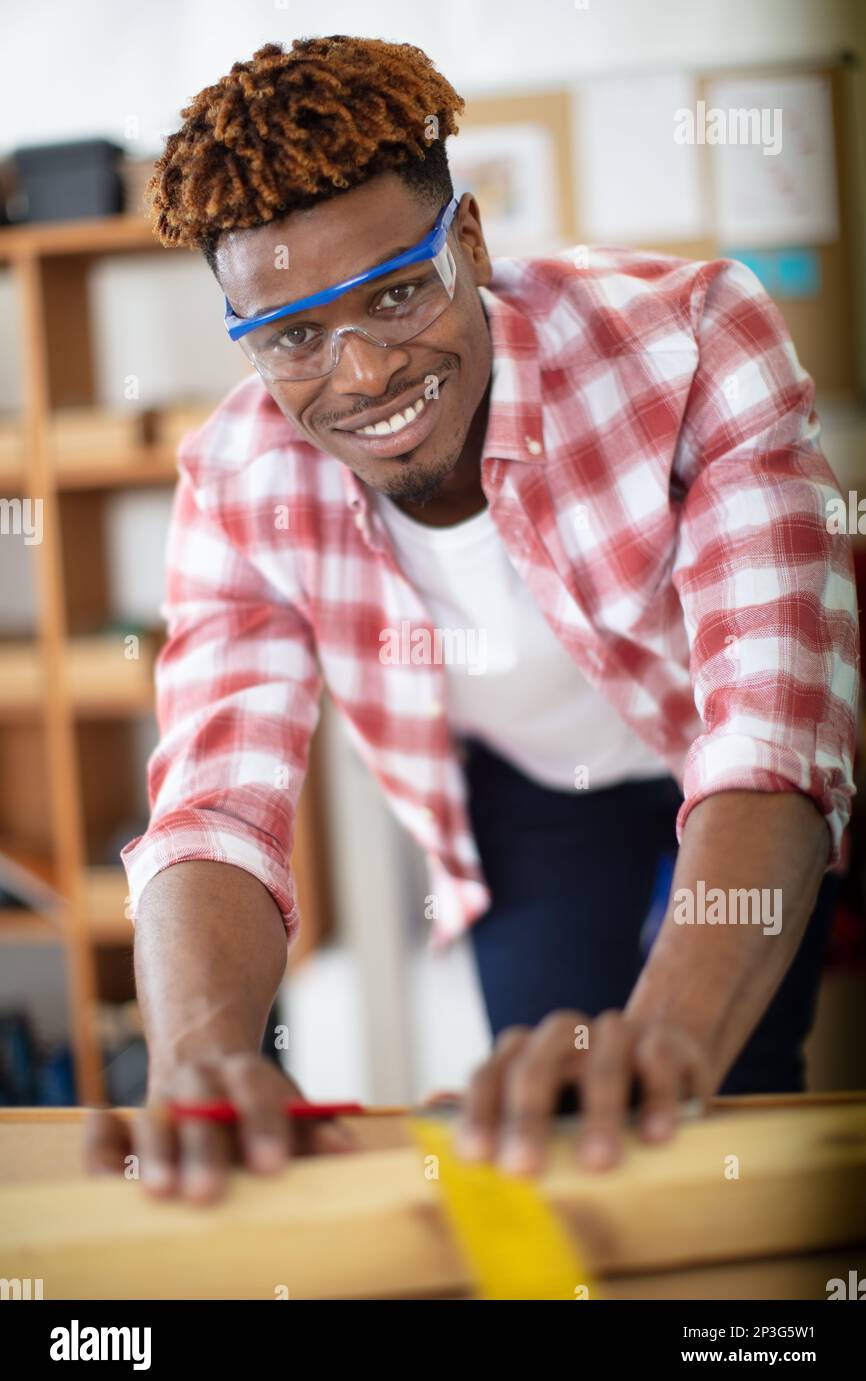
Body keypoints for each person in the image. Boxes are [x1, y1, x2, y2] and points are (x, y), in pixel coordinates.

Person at [88, 37, 857, 1202]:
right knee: (551, 1135)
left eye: (396, 292)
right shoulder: (236, 479)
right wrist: (197, 1058)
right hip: (540, 796)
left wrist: (667, 1041)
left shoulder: (691, 337)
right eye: (293, 334)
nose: (361, 375)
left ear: (470, 241)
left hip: (733, 771)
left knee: (710, 1107)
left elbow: (767, 723)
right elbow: (213, 804)